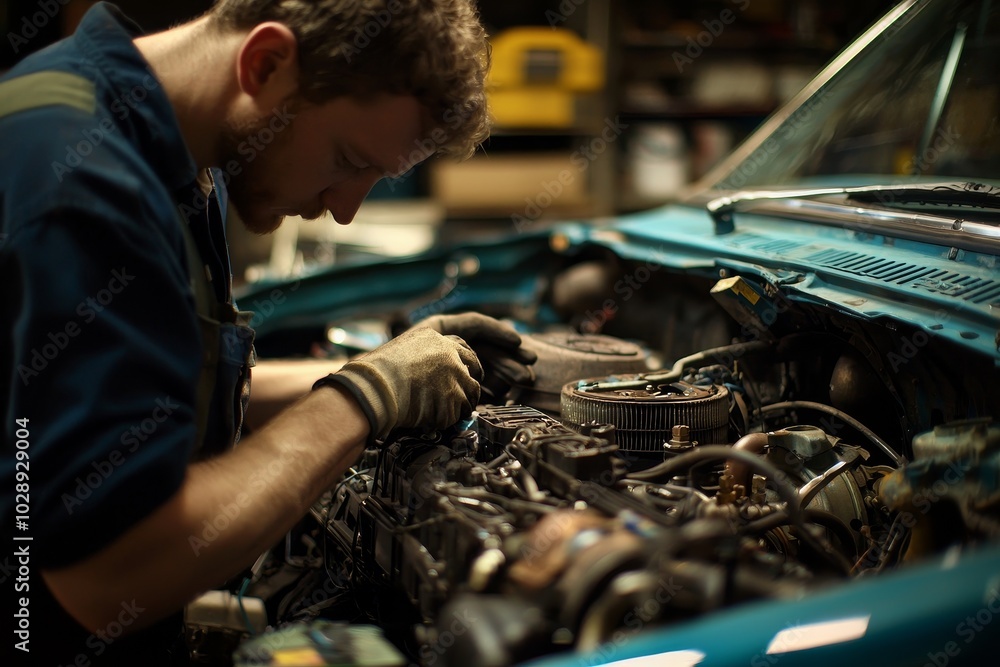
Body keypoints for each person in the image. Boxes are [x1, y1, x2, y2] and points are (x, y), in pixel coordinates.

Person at [0, 1, 534, 664]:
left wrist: (388, 371)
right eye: (347, 159)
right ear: (265, 62)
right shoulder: (84, 182)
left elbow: (144, 404)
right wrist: (362, 398)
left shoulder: (175, 156)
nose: (345, 209)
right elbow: (106, 576)